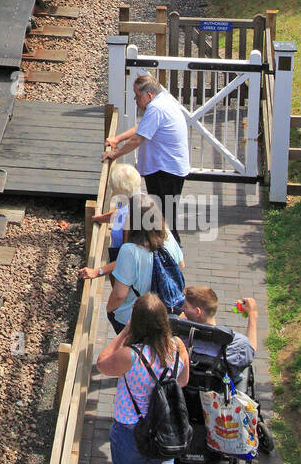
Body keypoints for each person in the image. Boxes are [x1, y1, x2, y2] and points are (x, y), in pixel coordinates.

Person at [94, 293, 190, 464]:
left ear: (137, 323)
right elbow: (182, 382)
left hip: (129, 430)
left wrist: (124, 333)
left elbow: (102, 364)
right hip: (164, 430)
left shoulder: (130, 355)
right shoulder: (178, 347)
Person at [103, 74, 190, 238]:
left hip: (165, 171)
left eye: (137, 96)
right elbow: (142, 127)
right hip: (168, 168)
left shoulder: (156, 108)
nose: (136, 100)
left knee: (163, 220)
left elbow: (137, 139)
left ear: (149, 95)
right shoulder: (162, 101)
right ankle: (167, 254)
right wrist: (118, 138)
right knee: (161, 217)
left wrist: (114, 154)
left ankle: (173, 256)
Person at [101, 194, 184, 332]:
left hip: (134, 317)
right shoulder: (167, 236)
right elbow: (181, 266)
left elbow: (119, 294)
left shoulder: (130, 251)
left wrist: (110, 309)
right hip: (165, 313)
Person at [78, 161, 142, 283]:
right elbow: (119, 213)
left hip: (127, 270)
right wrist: (100, 218)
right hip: (119, 260)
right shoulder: (137, 199)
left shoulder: (134, 219)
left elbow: (129, 257)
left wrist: (98, 271)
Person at [179, 286, 257, 385]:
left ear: (198, 312)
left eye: (185, 306)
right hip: (218, 389)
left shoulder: (180, 338)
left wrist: (180, 322)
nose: (182, 309)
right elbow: (251, 349)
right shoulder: (237, 344)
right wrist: (253, 315)